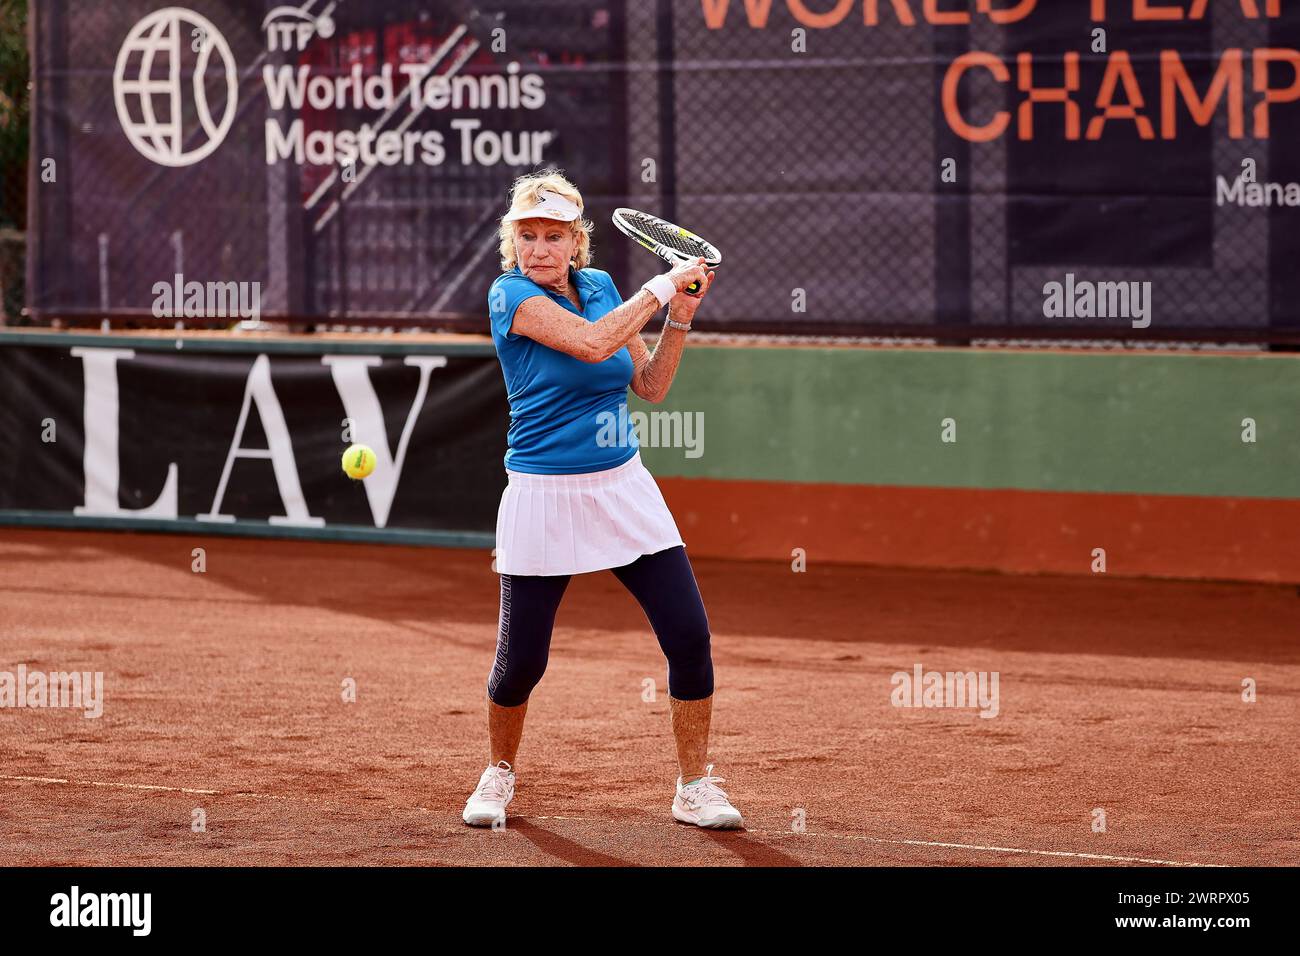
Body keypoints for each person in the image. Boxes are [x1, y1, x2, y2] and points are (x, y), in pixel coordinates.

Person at [462, 170, 742, 829]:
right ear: (512, 243)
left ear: (575, 242)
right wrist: (662, 282)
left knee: (689, 634)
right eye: (526, 235)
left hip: (621, 488)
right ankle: (499, 772)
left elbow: (647, 385)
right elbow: (591, 346)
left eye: (552, 236)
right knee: (522, 661)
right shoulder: (510, 298)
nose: (538, 249)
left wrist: (679, 315)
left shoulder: (602, 289)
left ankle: (693, 785)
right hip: (542, 493)